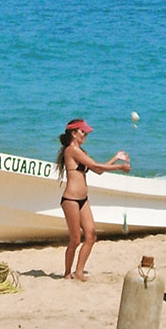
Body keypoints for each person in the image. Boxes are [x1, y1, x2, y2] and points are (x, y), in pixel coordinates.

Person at [56, 118, 130, 281]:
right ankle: (68, 273)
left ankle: (79, 272)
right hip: (71, 200)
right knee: (75, 240)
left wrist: (115, 158)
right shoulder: (71, 150)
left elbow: (97, 170)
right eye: (83, 132)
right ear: (74, 134)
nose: (86, 135)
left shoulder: (82, 152)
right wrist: (119, 167)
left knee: (91, 236)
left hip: (83, 200)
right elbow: (96, 167)